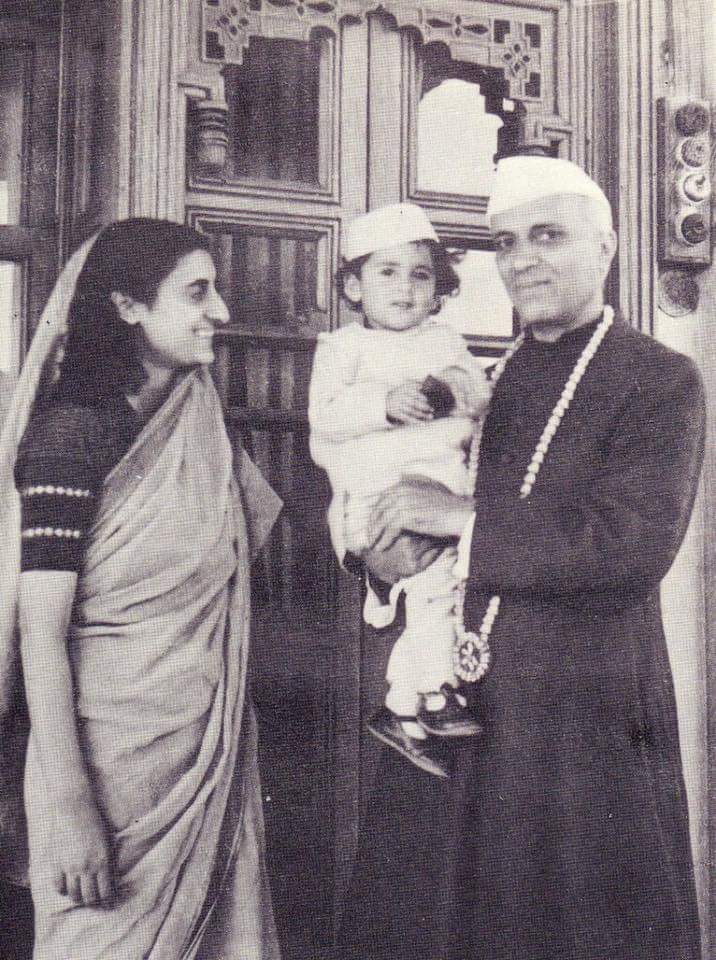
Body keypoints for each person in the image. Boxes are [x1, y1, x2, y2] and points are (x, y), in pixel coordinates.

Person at [339, 157, 705, 960]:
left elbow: (632, 543)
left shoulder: (659, 379)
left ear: (605, 246)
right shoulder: (490, 376)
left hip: (579, 724)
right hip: (460, 708)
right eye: (506, 244)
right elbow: (416, 505)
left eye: (548, 236)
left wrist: (464, 522)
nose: (523, 260)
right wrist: (388, 561)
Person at [0, 219, 283, 959]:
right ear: (128, 306)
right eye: (197, 292)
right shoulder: (70, 435)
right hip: (104, 772)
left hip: (202, 759)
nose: (219, 311)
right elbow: (39, 634)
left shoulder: (197, 428)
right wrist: (72, 810)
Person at [309, 203, 491, 779]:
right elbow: (326, 417)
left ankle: (403, 710)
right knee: (435, 591)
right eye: (386, 273)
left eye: (420, 275)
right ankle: (431, 693)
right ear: (354, 286)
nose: (405, 288)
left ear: (439, 288)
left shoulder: (444, 342)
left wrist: (460, 385)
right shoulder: (342, 348)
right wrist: (382, 405)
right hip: (377, 496)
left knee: (441, 597)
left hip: (439, 494)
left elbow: (477, 397)